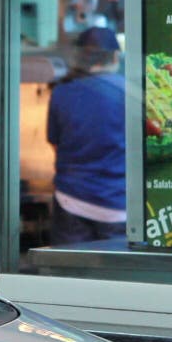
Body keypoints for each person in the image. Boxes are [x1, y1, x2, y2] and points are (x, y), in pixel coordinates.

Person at [47, 27, 126, 245]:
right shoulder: (128, 92)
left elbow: (55, 142)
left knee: (72, 276)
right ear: (116, 57)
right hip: (118, 206)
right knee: (116, 277)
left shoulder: (62, 92)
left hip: (71, 201)